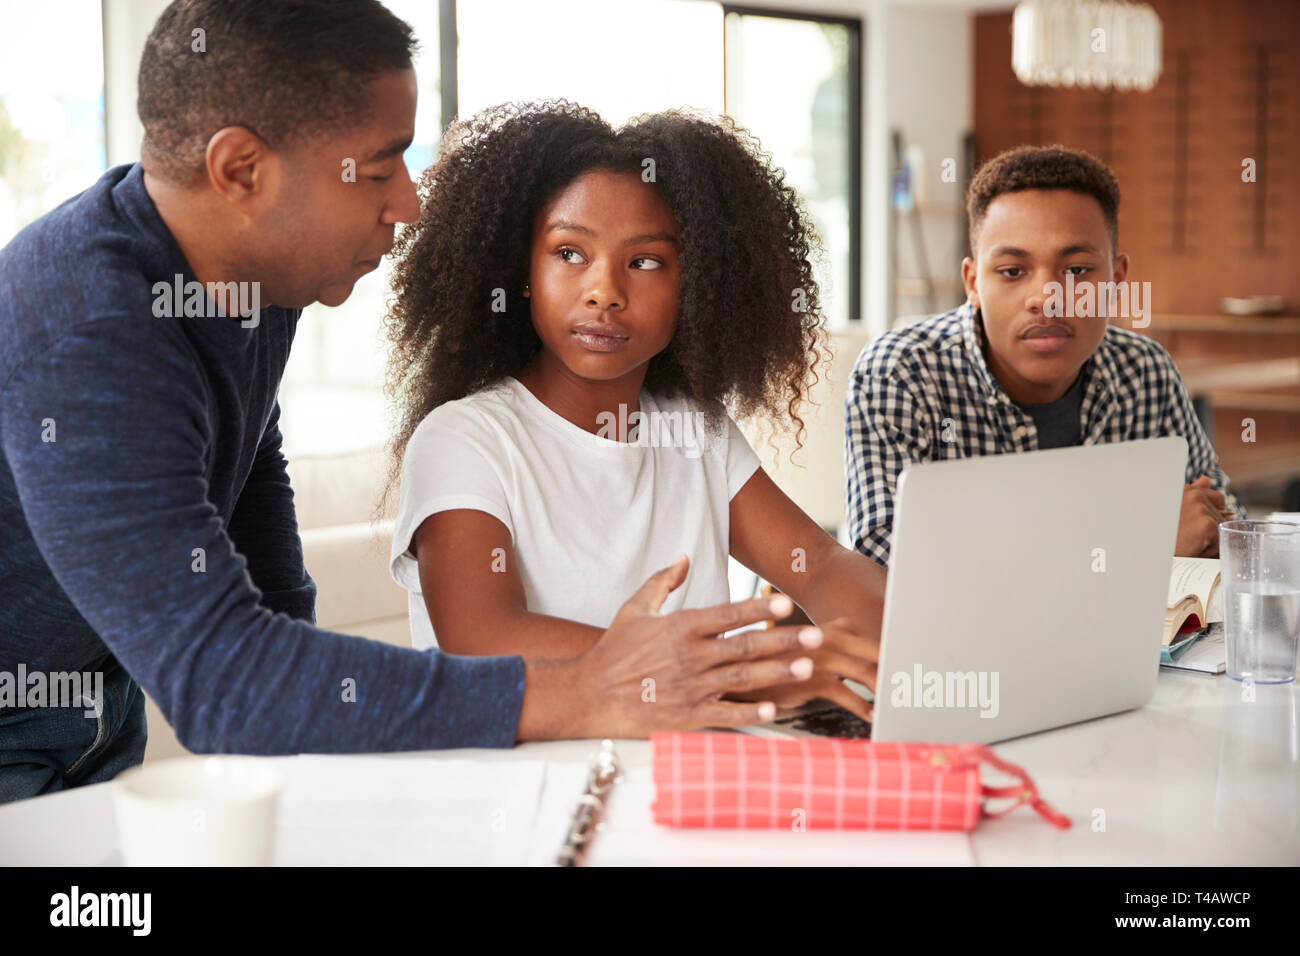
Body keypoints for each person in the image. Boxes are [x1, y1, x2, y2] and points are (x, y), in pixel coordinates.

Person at [0, 0, 828, 805]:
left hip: (89, 711)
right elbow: (226, 686)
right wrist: (588, 691)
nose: (411, 202)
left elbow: (248, 452)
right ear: (242, 171)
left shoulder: (256, 276)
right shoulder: (90, 330)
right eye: (381, 165)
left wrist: (303, 685)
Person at [384, 102, 884, 722]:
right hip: (523, 795)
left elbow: (819, 565)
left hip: (684, 785)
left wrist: (917, 636)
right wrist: (739, 677)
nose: (605, 291)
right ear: (522, 274)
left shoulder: (695, 431)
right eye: (569, 253)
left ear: (696, 288)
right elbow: (481, 638)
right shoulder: (465, 439)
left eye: (646, 261)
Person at [845, 145, 1241, 569]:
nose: (1047, 299)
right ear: (973, 282)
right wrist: (1144, 539)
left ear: (1117, 280)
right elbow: (885, 565)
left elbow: (1218, 526)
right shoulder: (900, 373)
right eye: (1013, 271)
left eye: (1076, 271)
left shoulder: (1146, 372)